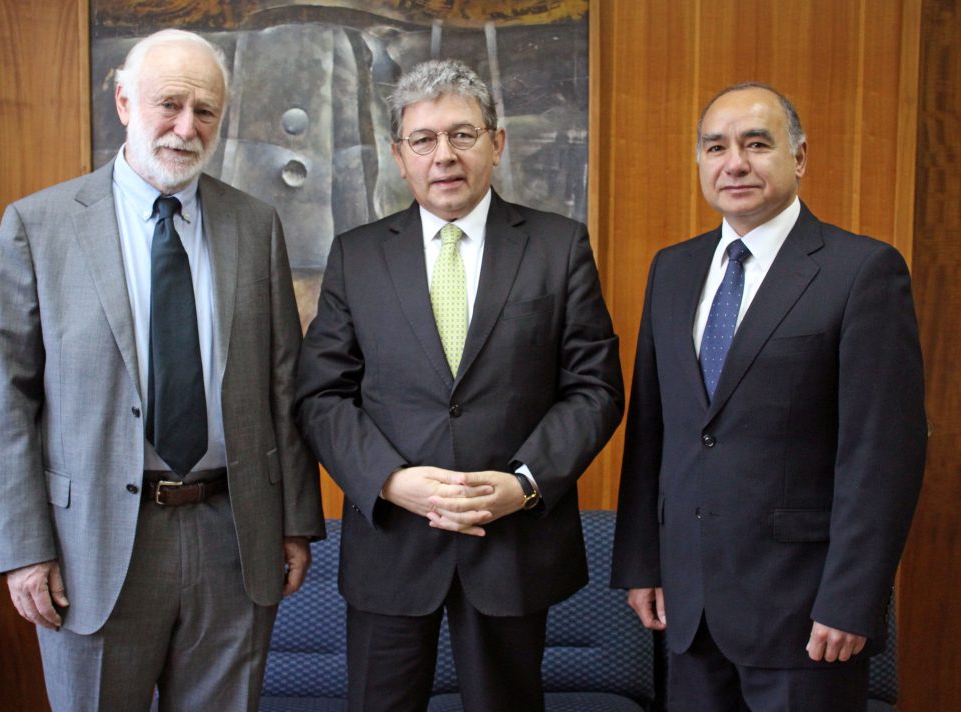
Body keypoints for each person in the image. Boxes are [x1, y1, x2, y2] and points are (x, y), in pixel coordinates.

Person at [0, 29, 324, 711]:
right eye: (169, 104)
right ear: (124, 101)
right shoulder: (38, 226)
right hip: (93, 548)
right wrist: (23, 549)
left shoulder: (256, 226)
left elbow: (286, 383)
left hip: (234, 535)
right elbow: (5, 401)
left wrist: (295, 522)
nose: (186, 128)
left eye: (206, 113)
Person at [294, 58, 623, 711]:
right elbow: (321, 394)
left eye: (462, 135)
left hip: (511, 544)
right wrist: (390, 480)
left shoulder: (558, 247)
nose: (444, 156)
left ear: (496, 144)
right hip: (391, 544)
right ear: (399, 155)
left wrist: (525, 484)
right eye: (424, 140)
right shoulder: (356, 256)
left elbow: (595, 387)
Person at [611, 82, 926, 711]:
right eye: (716, 147)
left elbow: (882, 456)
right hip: (689, 607)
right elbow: (654, 429)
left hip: (805, 614)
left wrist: (852, 598)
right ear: (699, 161)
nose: (735, 163)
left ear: (800, 157)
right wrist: (643, 562)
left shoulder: (861, 271)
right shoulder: (672, 270)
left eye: (757, 144)